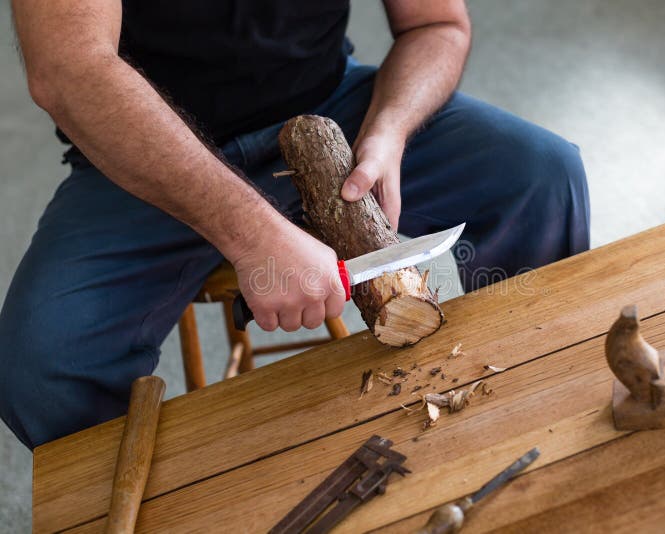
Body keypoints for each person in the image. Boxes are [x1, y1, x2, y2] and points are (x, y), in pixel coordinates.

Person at [0, 0, 589, 450]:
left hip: (331, 106)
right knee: (42, 367)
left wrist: (391, 129)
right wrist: (253, 234)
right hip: (146, 149)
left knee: (542, 177)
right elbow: (70, 70)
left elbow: (436, 24)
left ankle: (524, 414)